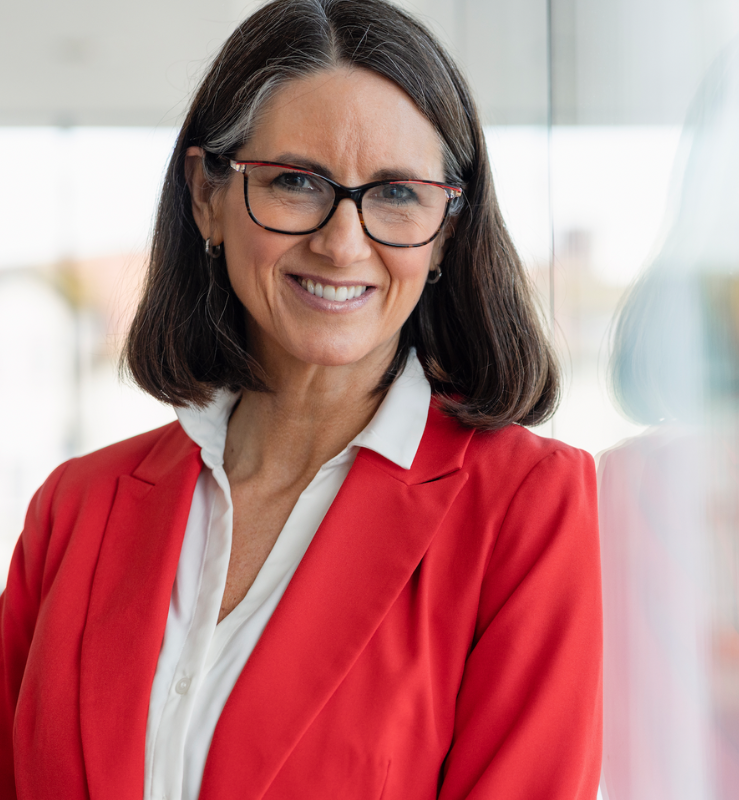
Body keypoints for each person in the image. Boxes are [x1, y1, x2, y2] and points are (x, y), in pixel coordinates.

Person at [0, 2, 602, 798]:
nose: (343, 242)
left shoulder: (530, 508)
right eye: (294, 182)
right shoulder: (74, 511)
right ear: (207, 196)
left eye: (396, 195)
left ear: (447, 230)